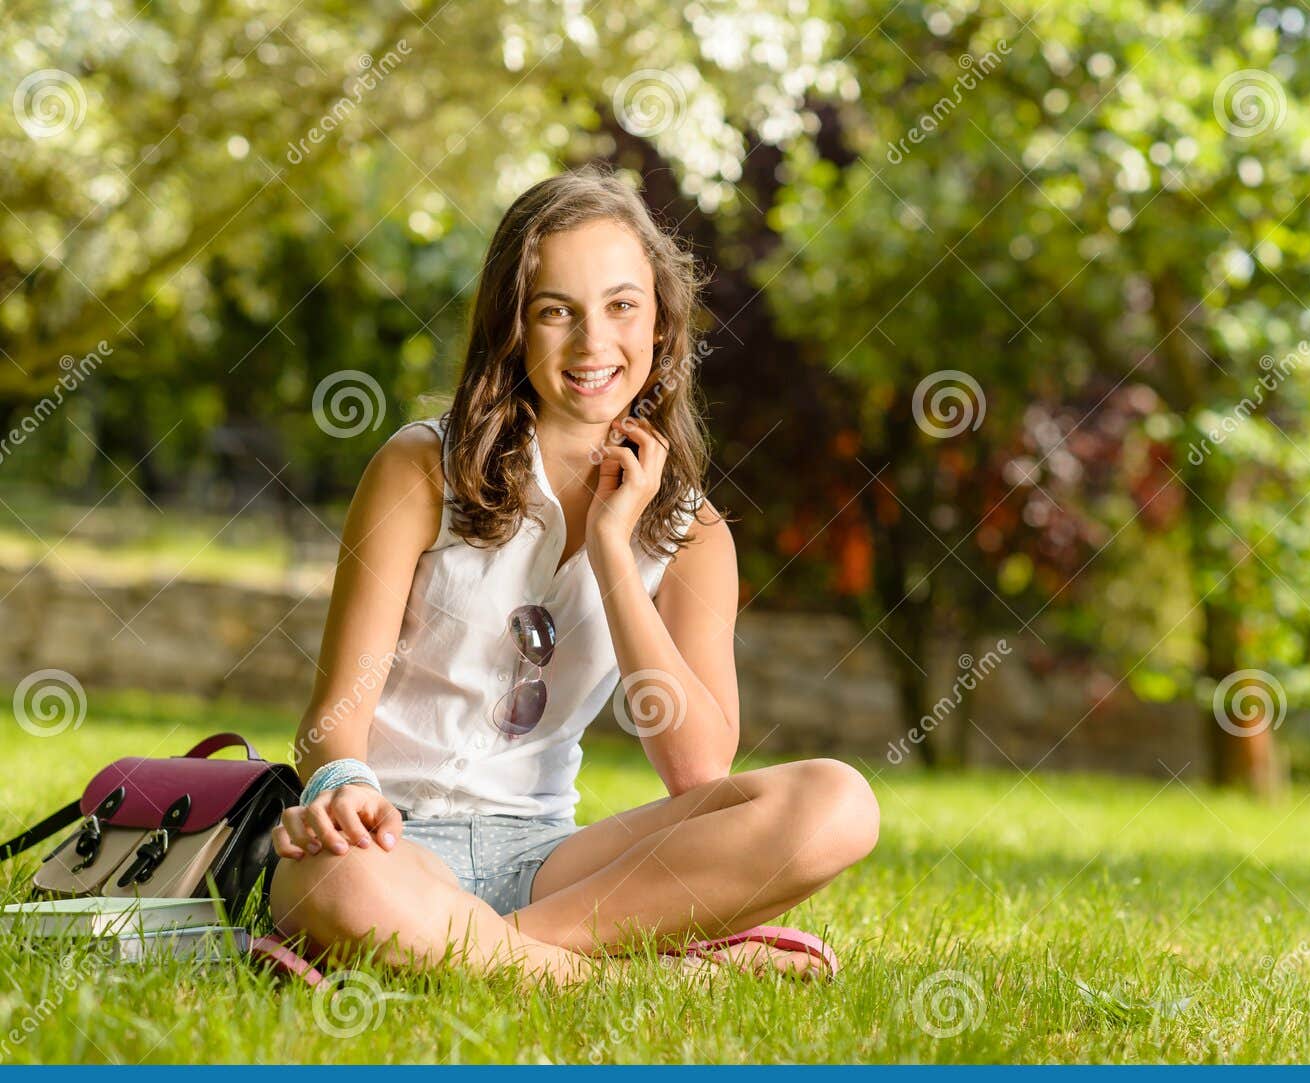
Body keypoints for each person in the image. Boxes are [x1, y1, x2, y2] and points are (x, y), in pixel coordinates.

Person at [267, 168, 879, 985]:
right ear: (514, 326)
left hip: (558, 862)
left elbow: (697, 771)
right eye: (558, 311)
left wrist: (615, 548)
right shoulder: (419, 469)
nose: (595, 345)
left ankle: (481, 951)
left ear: (661, 322)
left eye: (622, 305)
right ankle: (625, 976)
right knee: (334, 881)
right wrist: (344, 786)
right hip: (394, 844)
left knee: (838, 804)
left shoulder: (693, 535)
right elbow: (331, 718)